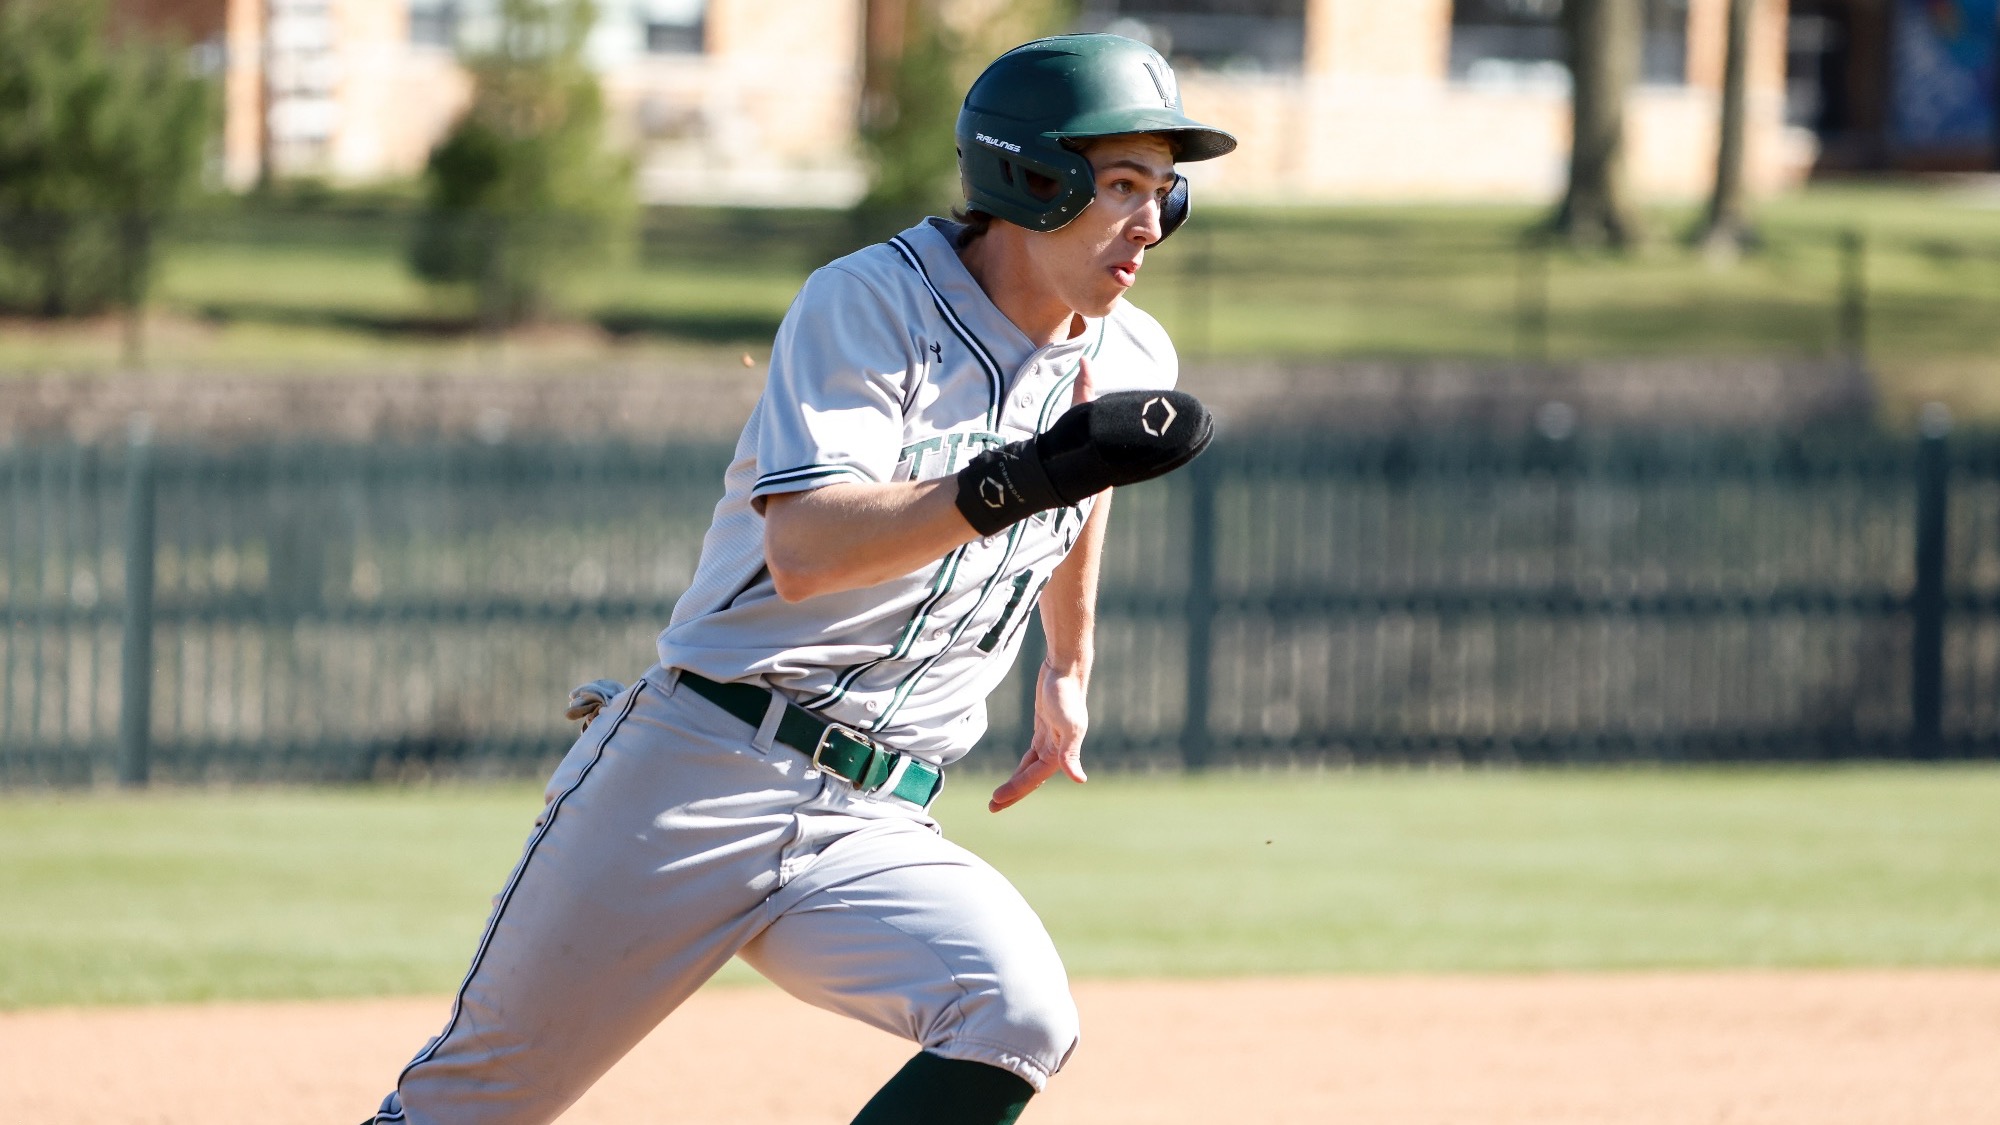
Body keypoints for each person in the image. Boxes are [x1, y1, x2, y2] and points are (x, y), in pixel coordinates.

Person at [365, 32, 1235, 1125]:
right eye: (1119, 185)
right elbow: (809, 549)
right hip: (698, 772)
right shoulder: (871, 304)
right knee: (467, 1110)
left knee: (1016, 1014)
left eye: (1165, 189)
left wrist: (1069, 662)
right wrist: (1021, 476)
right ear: (1028, 176)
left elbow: (1085, 479)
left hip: (875, 818)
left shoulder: (1131, 350)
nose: (1151, 223)